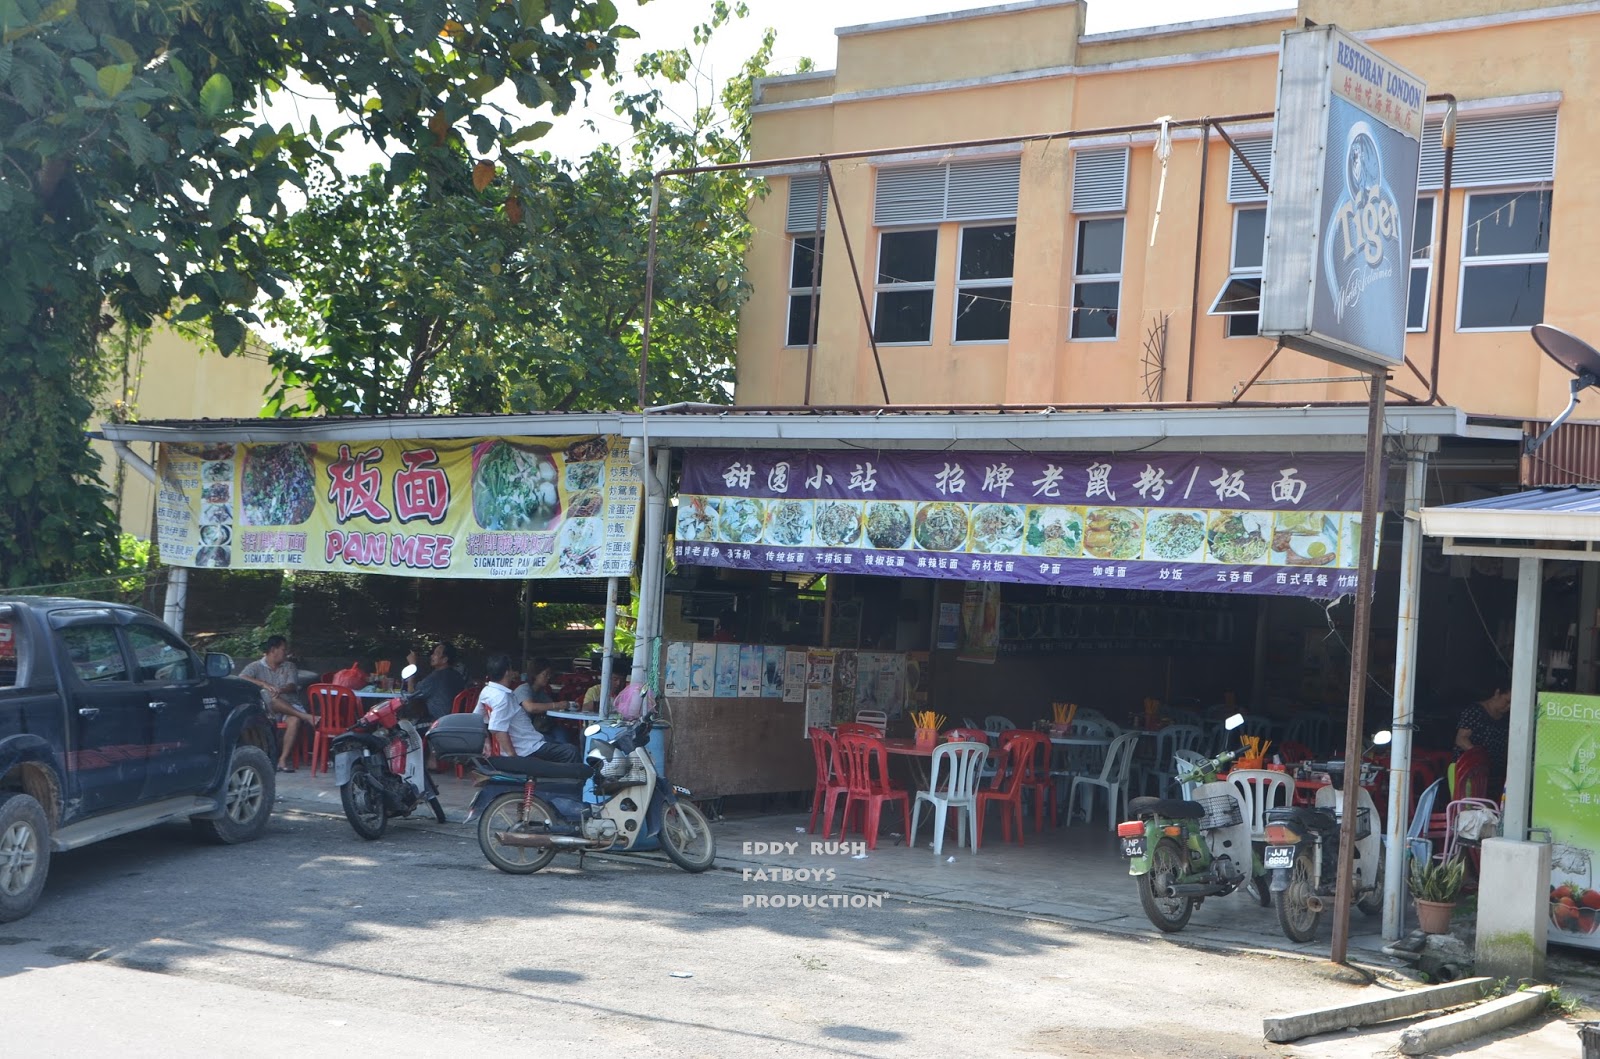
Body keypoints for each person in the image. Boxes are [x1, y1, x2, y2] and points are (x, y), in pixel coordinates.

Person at [238, 635, 319, 773]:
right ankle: (307, 717)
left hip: (290, 705)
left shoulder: (289, 666)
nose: (285, 652)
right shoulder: (255, 666)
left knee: (294, 721)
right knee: (271, 699)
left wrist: (280, 690)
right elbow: (242, 677)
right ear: (273, 650)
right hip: (270, 709)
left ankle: (282, 760)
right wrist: (264, 684)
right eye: (283, 649)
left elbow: (292, 685)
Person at [484, 654, 579, 763]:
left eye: (549, 674)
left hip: (537, 732)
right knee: (568, 749)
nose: (548, 677)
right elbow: (530, 707)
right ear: (535, 674)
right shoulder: (521, 690)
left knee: (563, 736)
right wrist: (513, 758)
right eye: (545, 674)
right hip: (528, 738)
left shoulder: (542, 692)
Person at [1455, 678, 1512, 789]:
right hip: (1471, 771)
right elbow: (1461, 739)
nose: (1509, 707)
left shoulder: (1506, 718)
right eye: (1507, 701)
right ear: (1497, 693)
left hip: (1495, 774)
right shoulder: (1475, 711)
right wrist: (1480, 756)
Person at [407, 642, 466, 721]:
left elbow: (411, 692)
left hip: (438, 723)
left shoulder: (437, 676)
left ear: (445, 659)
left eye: (436, 654)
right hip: (456, 720)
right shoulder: (456, 675)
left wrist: (412, 665)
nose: (432, 656)